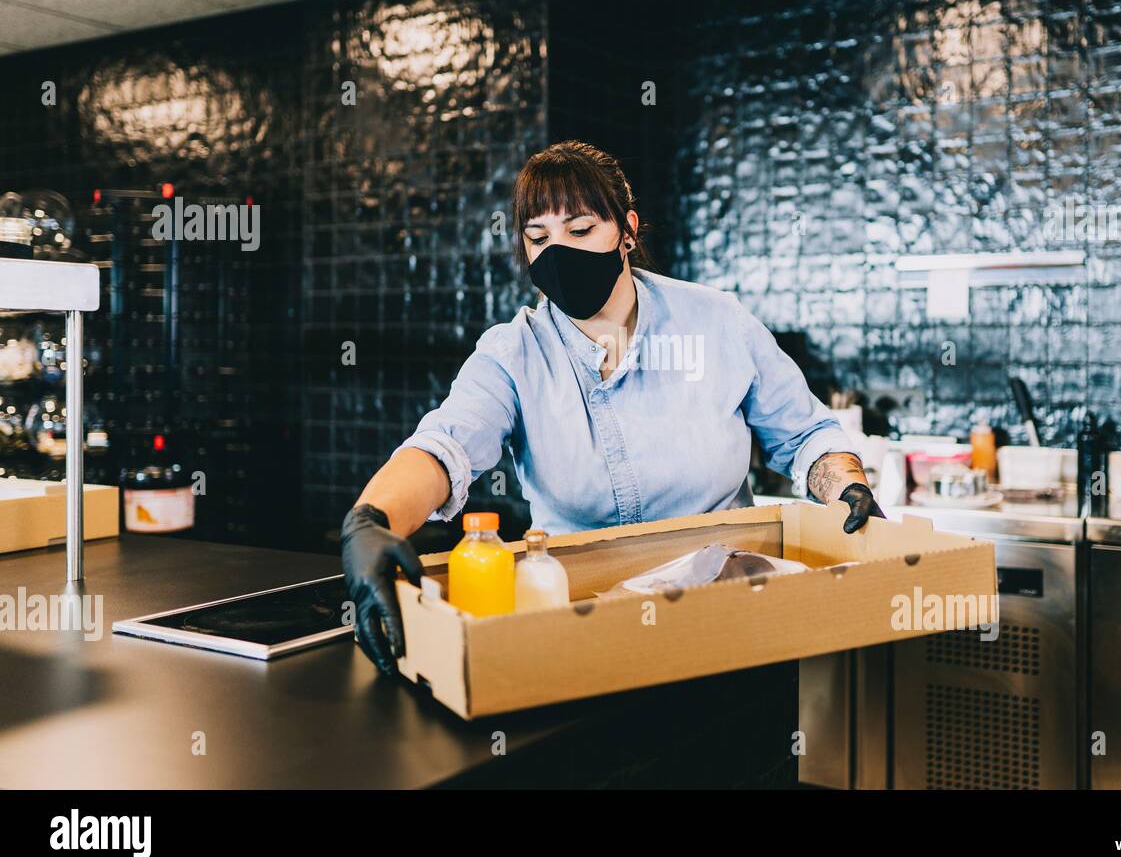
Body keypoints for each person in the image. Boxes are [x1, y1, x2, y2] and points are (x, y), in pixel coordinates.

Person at [341, 141, 882, 675]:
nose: (558, 252)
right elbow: (444, 448)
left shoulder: (717, 322)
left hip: (733, 619)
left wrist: (845, 485)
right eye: (538, 237)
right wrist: (370, 521)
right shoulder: (513, 353)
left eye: (580, 230)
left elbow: (805, 436)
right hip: (583, 634)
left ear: (626, 230)